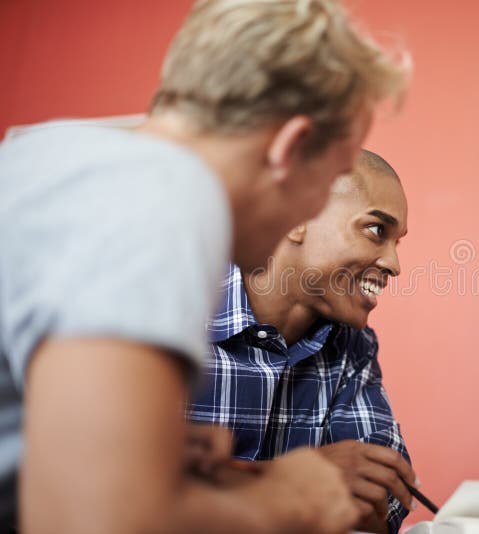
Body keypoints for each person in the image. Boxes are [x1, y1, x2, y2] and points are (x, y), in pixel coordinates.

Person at [0, 0, 408, 532]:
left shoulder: (46, 158)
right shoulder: (163, 194)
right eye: (327, 175)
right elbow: (94, 522)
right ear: (292, 146)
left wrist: (177, 472)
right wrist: (292, 495)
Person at [188, 149, 415, 534]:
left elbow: (383, 503)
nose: (394, 263)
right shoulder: (175, 311)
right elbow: (119, 492)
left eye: (397, 242)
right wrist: (284, 483)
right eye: (377, 230)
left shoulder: (352, 345)